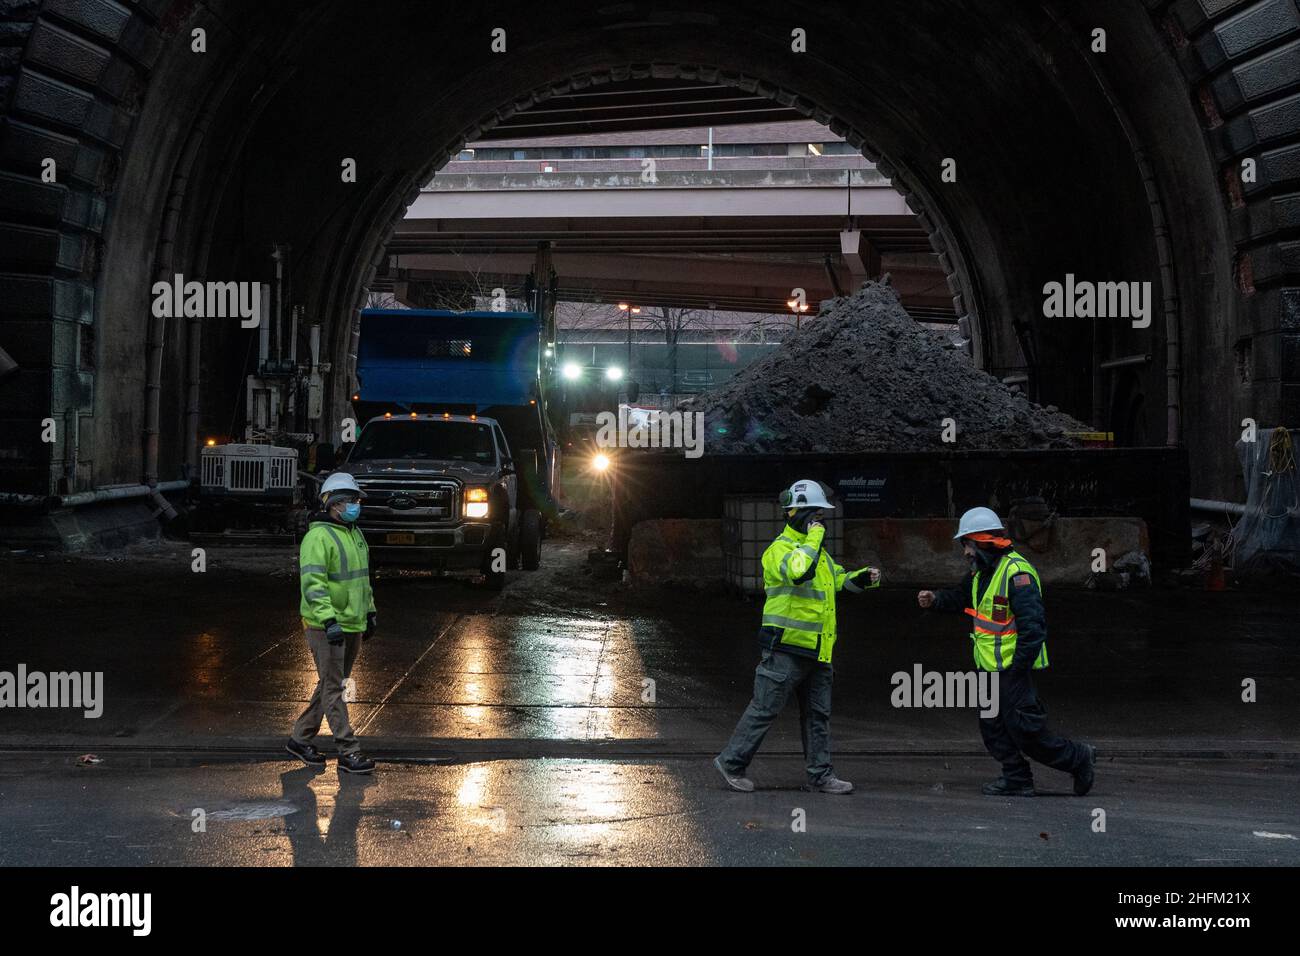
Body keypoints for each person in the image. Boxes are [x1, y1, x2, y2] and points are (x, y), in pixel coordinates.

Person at [715, 479, 880, 794]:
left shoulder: (817, 552)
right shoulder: (781, 550)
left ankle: (820, 775)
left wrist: (861, 579)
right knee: (765, 709)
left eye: (822, 516)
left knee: (818, 715)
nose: (821, 521)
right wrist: (815, 537)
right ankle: (732, 763)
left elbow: (836, 580)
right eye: (816, 515)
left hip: (818, 651)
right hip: (785, 649)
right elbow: (798, 571)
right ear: (801, 514)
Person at [917, 506, 1095, 796]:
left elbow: (1033, 628)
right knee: (993, 729)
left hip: (1012, 670)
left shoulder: (1017, 574)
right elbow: (961, 597)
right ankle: (1017, 778)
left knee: (1026, 730)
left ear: (983, 541)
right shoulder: (981, 574)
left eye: (968, 545)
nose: (966, 553)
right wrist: (935, 599)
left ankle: (1079, 759)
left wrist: (1017, 669)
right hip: (989, 669)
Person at [285, 472, 378, 774]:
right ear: (334, 504)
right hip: (326, 626)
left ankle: (300, 739)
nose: (356, 504)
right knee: (335, 687)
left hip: (352, 624)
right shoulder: (318, 538)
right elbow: (313, 585)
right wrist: (328, 621)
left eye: (356, 500)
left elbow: (363, 580)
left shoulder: (355, 533)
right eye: (351, 500)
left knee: (330, 684)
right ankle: (348, 751)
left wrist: (370, 612)